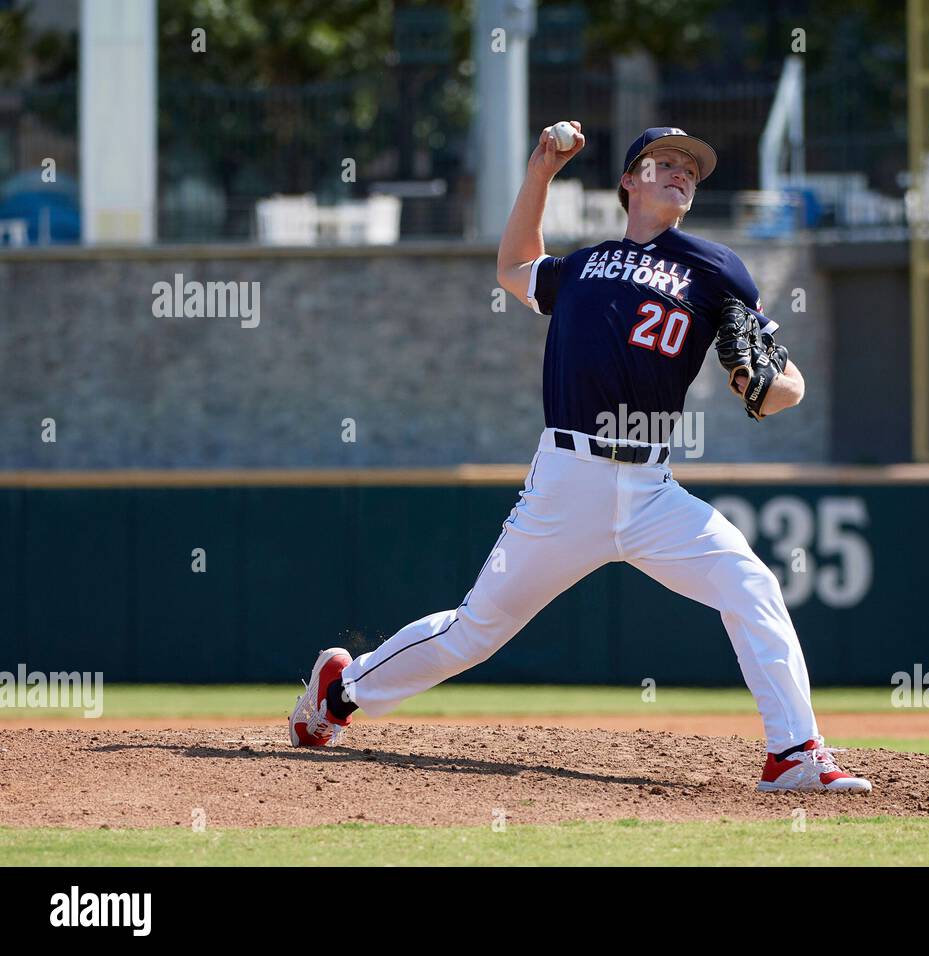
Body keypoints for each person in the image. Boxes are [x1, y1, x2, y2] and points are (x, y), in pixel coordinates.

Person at [289, 123, 871, 793]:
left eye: (691, 167)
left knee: (751, 587)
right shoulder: (585, 264)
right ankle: (340, 690)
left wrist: (770, 389)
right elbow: (512, 268)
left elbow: (783, 383)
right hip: (568, 480)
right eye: (664, 162)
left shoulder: (716, 268)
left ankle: (794, 754)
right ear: (629, 180)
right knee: (475, 631)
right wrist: (539, 173)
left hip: (653, 489)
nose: (681, 172)